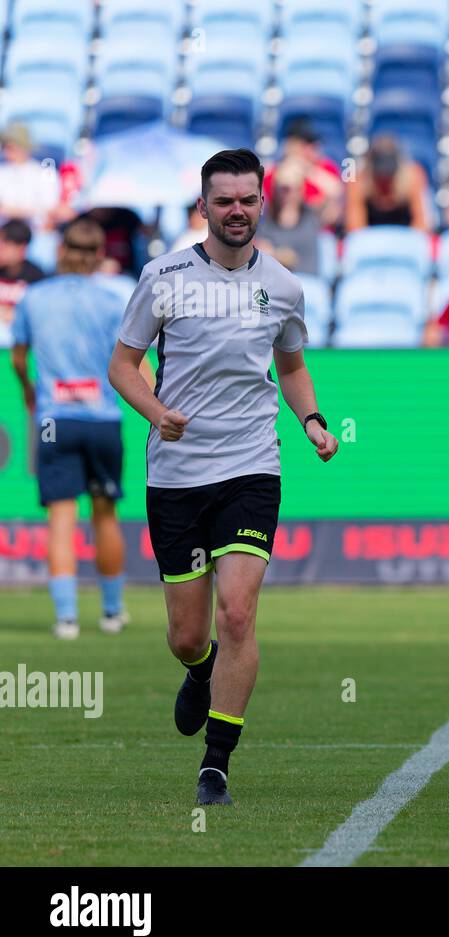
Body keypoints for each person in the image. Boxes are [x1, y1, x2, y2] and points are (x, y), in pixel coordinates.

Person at [107, 148, 340, 806]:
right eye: (224, 201)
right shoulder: (164, 275)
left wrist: (314, 422)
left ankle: (217, 763)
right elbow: (123, 366)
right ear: (203, 206)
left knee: (237, 613)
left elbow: (291, 367)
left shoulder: (285, 286)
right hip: (177, 474)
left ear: (262, 202)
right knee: (188, 634)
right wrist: (156, 412)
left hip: (250, 467)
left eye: (247, 199)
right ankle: (200, 669)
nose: (236, 211)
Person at [9, 217, 140, 639]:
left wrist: (30, 389)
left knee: (61, 519)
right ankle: (112, 612)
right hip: (102, 419)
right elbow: (132, 362)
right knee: (105, 515)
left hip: (54, 421)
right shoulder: (112, 300)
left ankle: (66, 618)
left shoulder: (34, 297)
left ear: (61, 250)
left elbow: (18, 356)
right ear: (100, 254)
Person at [262, 118, 343, 229]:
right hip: (280, 234)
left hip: (319, 234)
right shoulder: (274, 172)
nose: (313, 148)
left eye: (314, 143)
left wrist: (307, 170)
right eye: (306, 143)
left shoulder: (327, 167)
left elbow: (336, 196)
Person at [344, 133, 430, 233]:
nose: (385, 179)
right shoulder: (358, 181)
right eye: (380, 175)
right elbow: (354, 229)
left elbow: (422, 225)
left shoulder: (414, 176)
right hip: (370, 242)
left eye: (389, 174)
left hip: (406, 240)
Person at [256, 158, 321, 274]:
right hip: (275, 284)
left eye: (294, 188)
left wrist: (307, 170)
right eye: (284, 188)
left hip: (308, 283)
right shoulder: (265, 221)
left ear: (301, 189)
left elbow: (335, 193)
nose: (288, 193)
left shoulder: (311, 216)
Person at [0, 123, 61, 229]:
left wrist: (15, 212)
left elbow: (50, 207)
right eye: (6, 147)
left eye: (12, 147)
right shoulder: (2, 171)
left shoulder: (45, 171)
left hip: (35, 231)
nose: (7, 152)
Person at [0, 218, 46, 346]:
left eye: (4, 243)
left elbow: (38, 316)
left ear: (21, 247)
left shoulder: (36, 277)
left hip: (20, 343)